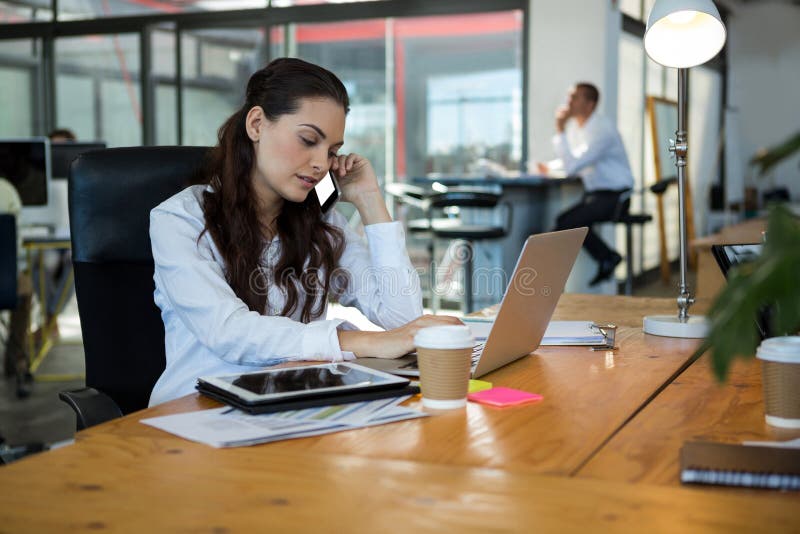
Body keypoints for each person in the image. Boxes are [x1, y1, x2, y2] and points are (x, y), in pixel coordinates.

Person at [149, 58, 460, 405]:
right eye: (308, 139)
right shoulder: (179, 220)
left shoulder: (322, 225)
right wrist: (362, 342)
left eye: (332, 151)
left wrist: (370, 201)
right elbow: (229, 332)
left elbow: (402, 318)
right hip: (194, 413)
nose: (321, 164)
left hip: (288, 406)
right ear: (256, 124)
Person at [538, 83, 634, 286]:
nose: (568, 102)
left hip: (616, 197)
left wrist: (559, 129)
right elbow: (578, 158)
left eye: (574, 98)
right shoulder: (582, 128)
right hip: (598, 195)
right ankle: (607, 257)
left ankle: (549, 280)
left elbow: (573, 165)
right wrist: (550, 166)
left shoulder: (601, 130)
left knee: (566, 223)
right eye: (568, 97)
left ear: (590, 104)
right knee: (567, 221)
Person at [0, 176, 32, 397]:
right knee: (25, 290)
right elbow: (16, 245)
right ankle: (16, 361)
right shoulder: (6, 189)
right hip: (3, 283)